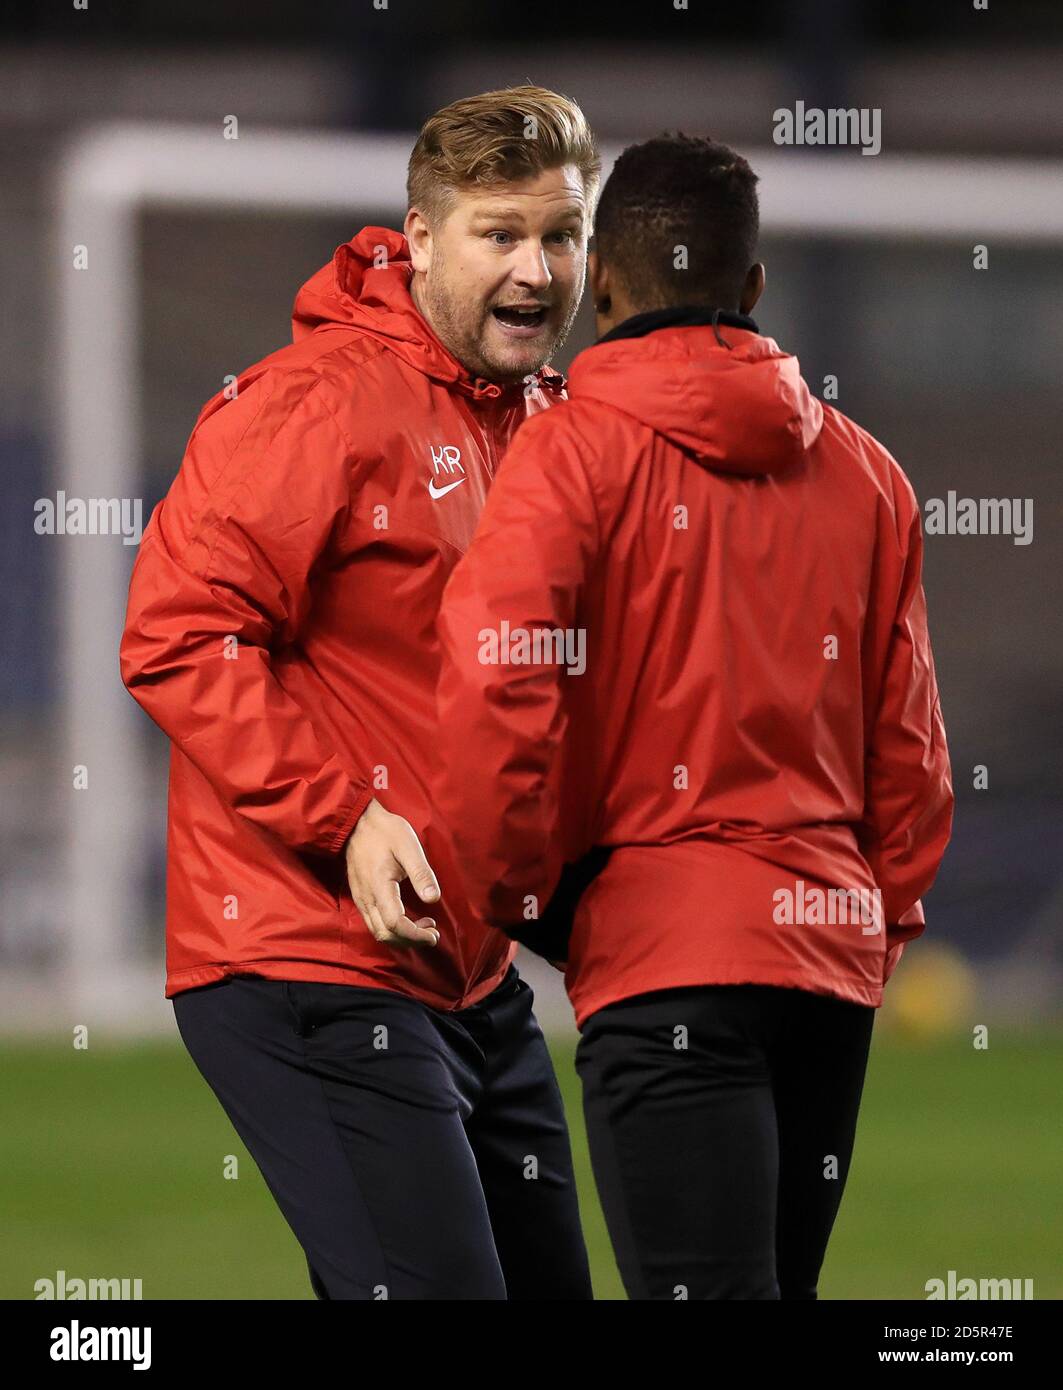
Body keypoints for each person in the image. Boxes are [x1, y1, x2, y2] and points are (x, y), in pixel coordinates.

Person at [434, 132, 955, 1300]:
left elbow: (495, 690)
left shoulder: (566, 451)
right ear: (752, 288)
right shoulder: (869, 473)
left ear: (601, 286)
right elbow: (909, 752)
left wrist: (525, 896)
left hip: (665, 956)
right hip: (824, 964)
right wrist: (876, 919)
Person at [119, 86, 600, 1301]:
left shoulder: (547, 419)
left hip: (471, 975)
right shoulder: (311, 403)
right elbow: (178, 633)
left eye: (561, 233)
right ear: (423, 234)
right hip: (303, 954)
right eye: (500, 234)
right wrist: (345, 818)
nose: (537, 269)